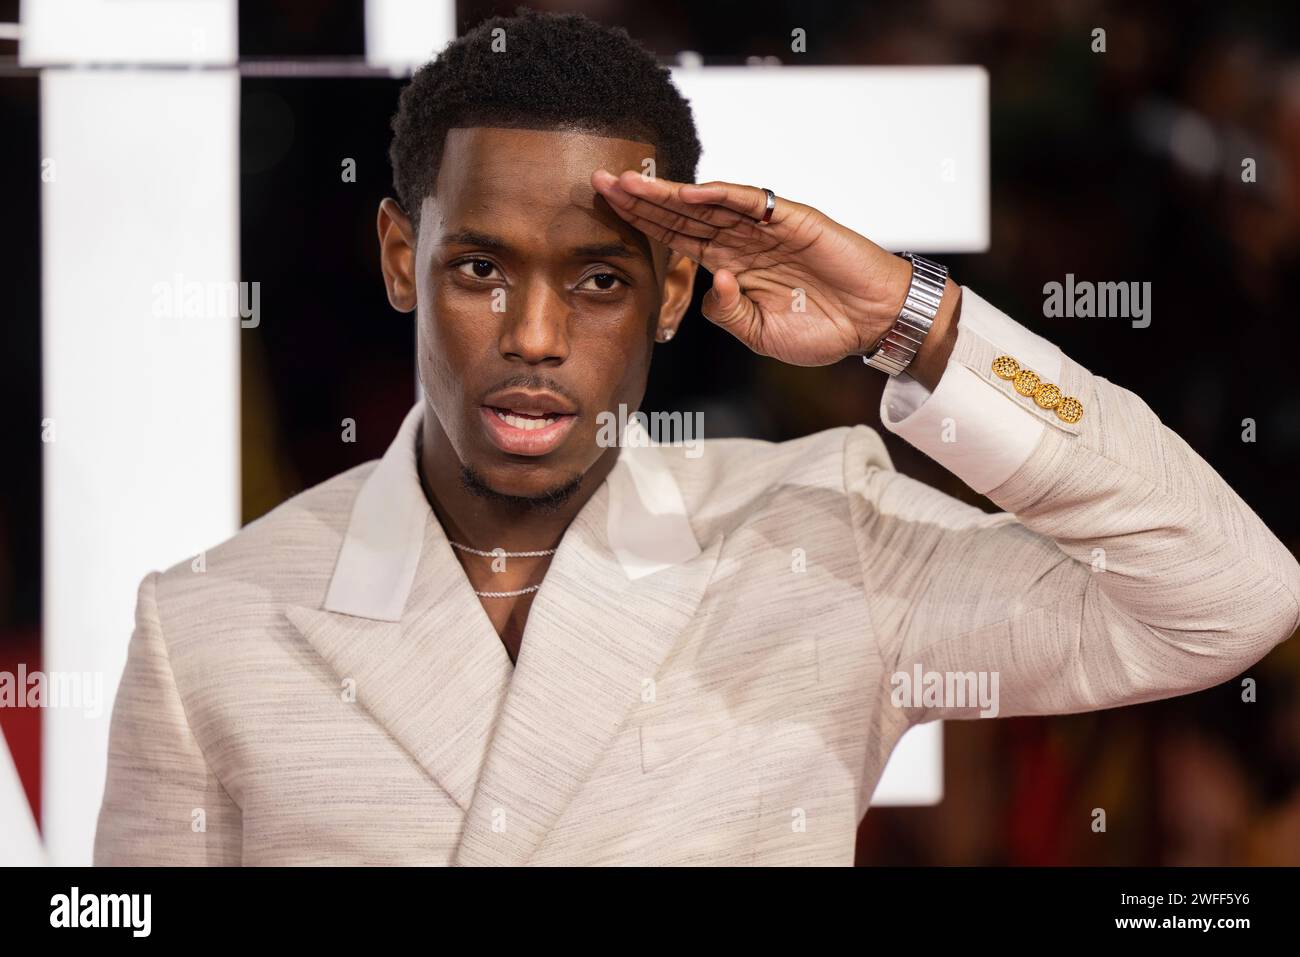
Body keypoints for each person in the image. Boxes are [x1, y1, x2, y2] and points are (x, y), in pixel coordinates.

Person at [94, 9, 1299, 866]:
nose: (536, 334)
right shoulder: (209, 628)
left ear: (673, 295)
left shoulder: (819, 539)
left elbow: (1224, 596)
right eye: (479, 268)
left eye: (601, 283)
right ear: (402, 259)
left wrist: (910, 319)